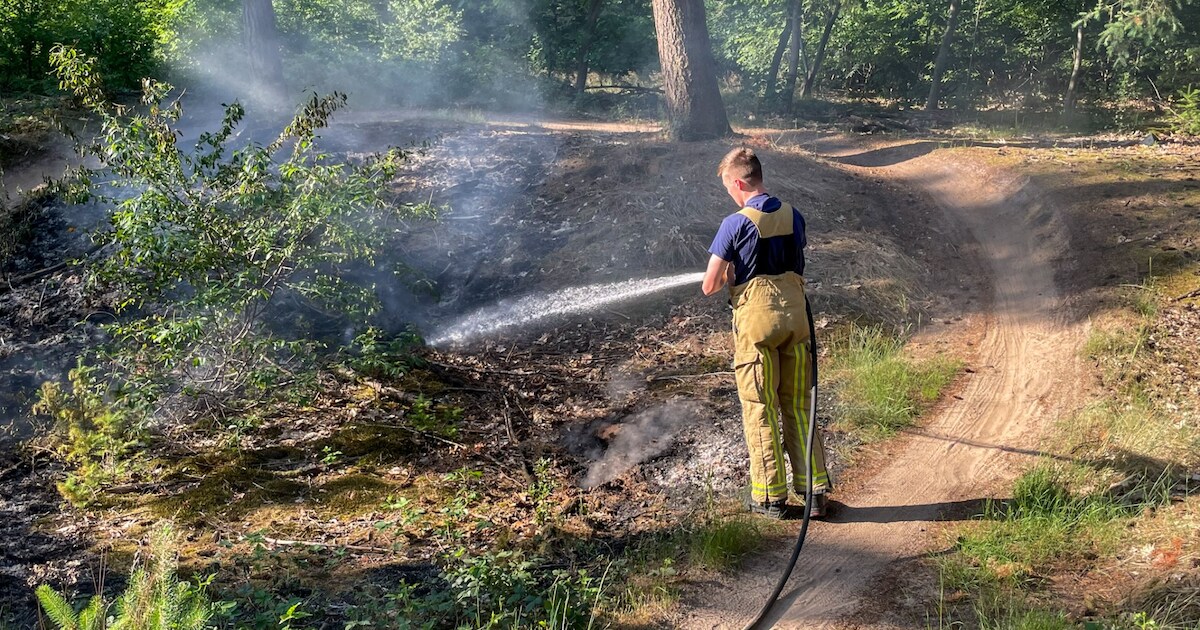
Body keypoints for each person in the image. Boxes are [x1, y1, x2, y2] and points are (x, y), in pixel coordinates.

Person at [701, 146, 832, 519]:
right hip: (796, 320)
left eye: (729, 186)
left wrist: (729, 273)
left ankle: (769, 497)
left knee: (761, 407)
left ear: (740, 182)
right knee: (798, 404)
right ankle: (815, 491)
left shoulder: (735, 223)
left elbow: (710, 284)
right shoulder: (795, 215)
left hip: (758, 325)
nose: (729, 192)